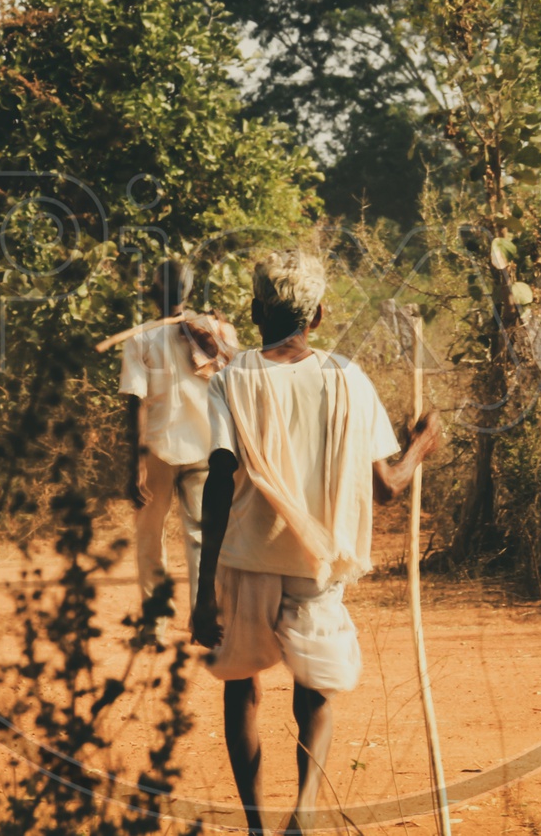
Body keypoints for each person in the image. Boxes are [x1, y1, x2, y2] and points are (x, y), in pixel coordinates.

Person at [190, 250, 442, 835]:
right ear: (321, 315)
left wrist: (203, 590)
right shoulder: (347, 379)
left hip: (245, 560)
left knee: (240, 687)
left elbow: (219, 485)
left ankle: (255, 825)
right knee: (316, 686)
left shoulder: (230, 380)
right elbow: (389, 487)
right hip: (316, 562)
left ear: (255, 312)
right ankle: (303, 813)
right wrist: (423, 443)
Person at [120, 259, 237, 639]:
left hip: (163, 449)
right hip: (197, 447)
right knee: (200, 536)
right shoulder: (211, 331)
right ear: (188, 291)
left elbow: (134, 403)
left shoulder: (144, 337)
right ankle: (201, 617)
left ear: (153, 292)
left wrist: (134, 463)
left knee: (151, 535)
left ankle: (157, 621)